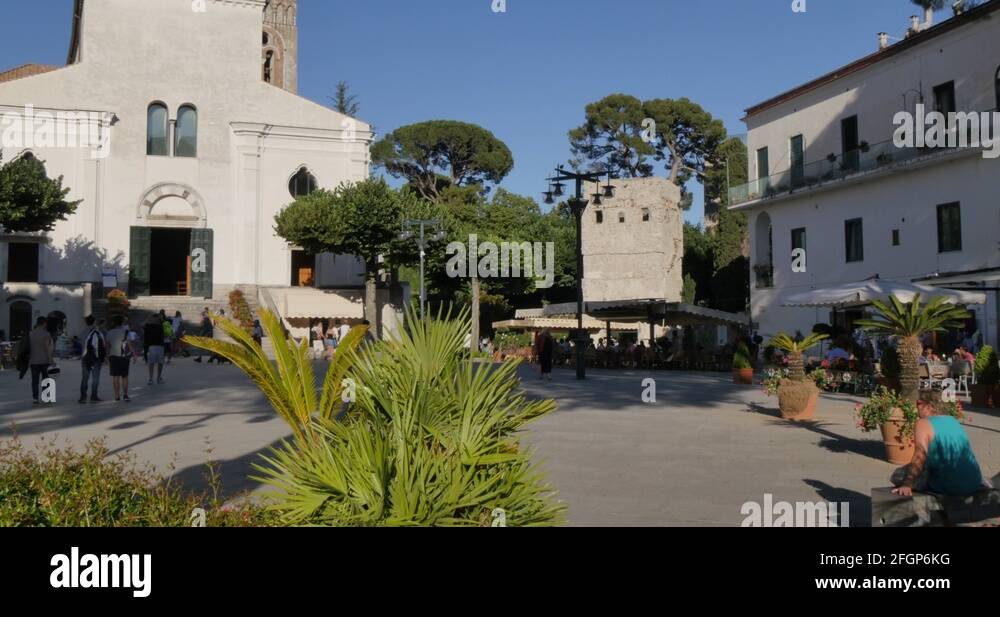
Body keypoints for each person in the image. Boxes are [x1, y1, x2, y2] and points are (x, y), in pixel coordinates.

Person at [892, 392, 986, 497]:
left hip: (948, 487)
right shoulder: (953, 420)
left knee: (897, 475)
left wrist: (907, 484)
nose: (917, 409)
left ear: (922, 404)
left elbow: (920, 456)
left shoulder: (923, 423)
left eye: (917, 404)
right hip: (974, 481)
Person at [106, 315, 134, 402]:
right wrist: (134, 354)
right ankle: (125, 395)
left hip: (113, 356)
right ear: (122, 322)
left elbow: (107, 346)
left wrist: (107, 357)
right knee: (125, 376)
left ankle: (117, 396)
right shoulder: (126, 332)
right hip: (124, 356)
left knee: (115, 376)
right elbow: (129, 344)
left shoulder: (109, 332)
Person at [80, 315, 106, 404]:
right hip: (96, 358)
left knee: (85, 378)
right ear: (94, 321)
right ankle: (93, 396)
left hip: (85, 357)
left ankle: (83, 397)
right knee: (95, 378)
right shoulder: (98, 331)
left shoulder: (83, 332)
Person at [28, 317, 54, 405]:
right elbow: (47, 348)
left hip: (33, 361)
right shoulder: (46, 334)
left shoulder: (30, 334)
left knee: (34, 381)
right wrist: (51, 360)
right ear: (44, 323)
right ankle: (46, 398)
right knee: (46, 380)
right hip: (44, 361)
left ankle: (35, 398)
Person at [143, 313, 166, 385]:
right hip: (158, 345)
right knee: (158, 363)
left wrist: (148, 319)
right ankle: (157, 378)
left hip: (153, 346)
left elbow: (142, 327)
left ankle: (152, 378)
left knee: (152, 363)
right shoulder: (159, 325)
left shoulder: (149, 325)